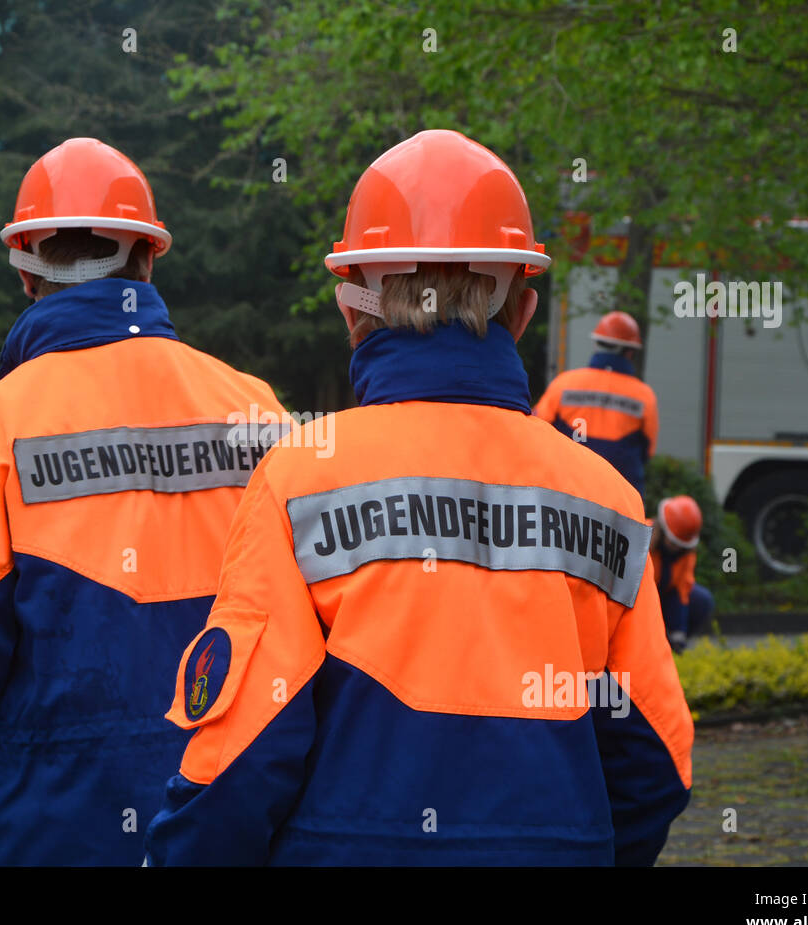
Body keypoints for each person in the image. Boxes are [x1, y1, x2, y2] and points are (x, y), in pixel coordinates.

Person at [145, 130, 693, 866]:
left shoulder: (300, 478)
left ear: (353, 309)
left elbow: (246, 753)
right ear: (523, 310)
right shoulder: (612, 501)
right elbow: (654, 760)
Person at [0, 137, 287, 864]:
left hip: (47, 834)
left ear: (26, 272)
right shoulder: (257, 413)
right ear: (148, 259)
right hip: (229, 827)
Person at [534, 311, 659, 497]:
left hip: (567, 491)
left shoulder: (563, 384)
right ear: (631, 351)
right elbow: (648, 450)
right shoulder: (644, 396)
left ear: (596, 343)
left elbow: (538, 428)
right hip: (621, 498)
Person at [651, 495, 713, 651]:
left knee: (702, 601)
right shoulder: (641, 538)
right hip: (641, 601)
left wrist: (679, 633)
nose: (675, 548)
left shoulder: (687, 553)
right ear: (663, 529)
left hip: (666, 596)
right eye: (673, 542)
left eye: (679, 544)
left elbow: (681, 591)